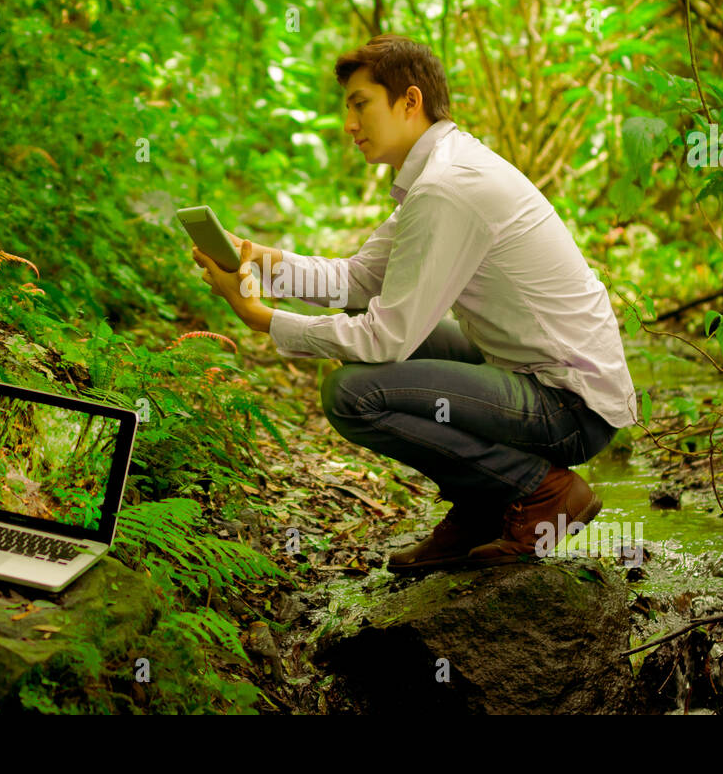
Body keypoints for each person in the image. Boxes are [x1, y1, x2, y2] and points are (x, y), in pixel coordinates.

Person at [191, 33, 638, 572]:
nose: (349, 124)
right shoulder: (441, 171)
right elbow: (357, 281)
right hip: (533, 379)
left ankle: (543, 492)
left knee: (352, 393)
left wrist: (265, 320)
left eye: (361, 105)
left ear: (409, 101)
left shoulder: (448, 185)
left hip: (570, 407)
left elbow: (387, 339)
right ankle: (485, 503)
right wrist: (259, 260)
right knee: (362, 320)